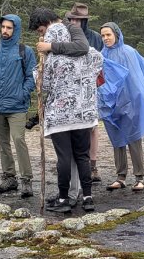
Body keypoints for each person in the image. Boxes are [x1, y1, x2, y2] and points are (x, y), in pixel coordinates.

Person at [34, 16, 104, 213]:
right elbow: (99, 61)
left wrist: (37, 70)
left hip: (60, 116)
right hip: (84, 113)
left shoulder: (52, 60)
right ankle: (88, 197)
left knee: (64, 157)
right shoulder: (88, 54)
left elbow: (44, 86)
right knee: (82, 156)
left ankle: (64, 198)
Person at [97, 22, 144, 192]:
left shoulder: (128, 52)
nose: (105, 38)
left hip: (129, 103)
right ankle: (121, 176)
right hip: (111, 105)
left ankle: (139, 177)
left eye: (108, 35)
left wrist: (137, 99)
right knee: (117, 140)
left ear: (116, 34)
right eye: (103, 36)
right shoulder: (102, 55)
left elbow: (137, 78)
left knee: (134, 139)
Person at [0, 15, 38, 198]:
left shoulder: (24, 51)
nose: (5, 30)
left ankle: (26, 179)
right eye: (3, 27)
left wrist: (23, 93)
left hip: (17, 106)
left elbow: (32, 76)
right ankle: (9, 177)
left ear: (16, 29)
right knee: (3, 143)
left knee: (19, 139)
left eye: (9, 28)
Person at [67, 3, 104, 181]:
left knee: (93, 127)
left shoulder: (94, 37)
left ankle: (93, 166)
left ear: (84, 21)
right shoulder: (66, 36)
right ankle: (74, 164)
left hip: (91, 86)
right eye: (72, 19)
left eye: (78, 19)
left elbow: (102, 61)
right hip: (71, 87)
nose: (75, 22)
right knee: (72, 127)